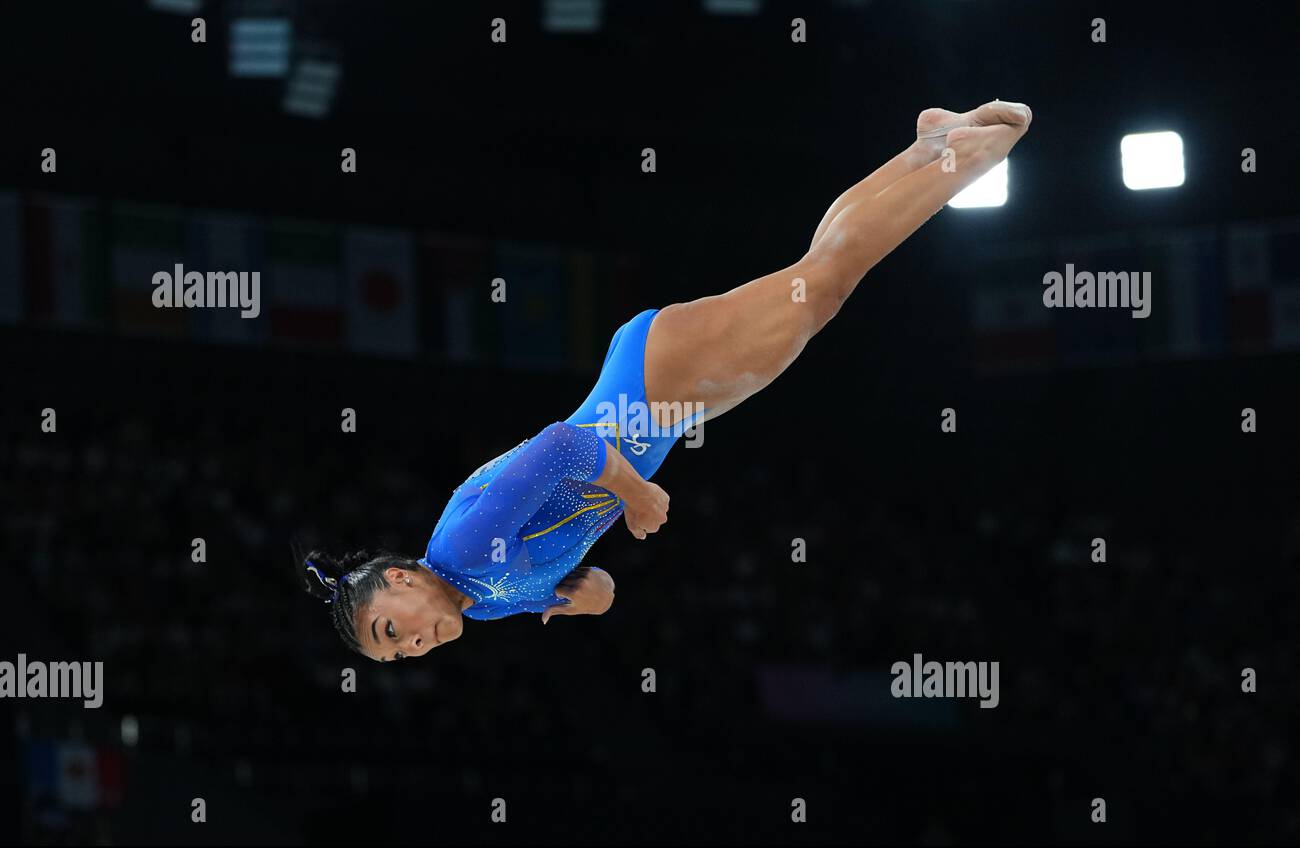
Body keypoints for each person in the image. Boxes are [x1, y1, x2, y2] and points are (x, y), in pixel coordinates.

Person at [301, 101, 1034, 662]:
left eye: (391, 630)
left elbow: (561, 446)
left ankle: (960, 159)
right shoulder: (484, 602)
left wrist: (635, 492)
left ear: (399, 581)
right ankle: (930, 144)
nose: (411, 647)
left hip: (647, 384)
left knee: (823, 281)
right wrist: (591, 598)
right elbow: (594, 583)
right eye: (395, 654)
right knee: (818, 286)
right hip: (661, 411)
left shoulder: (461, 547)